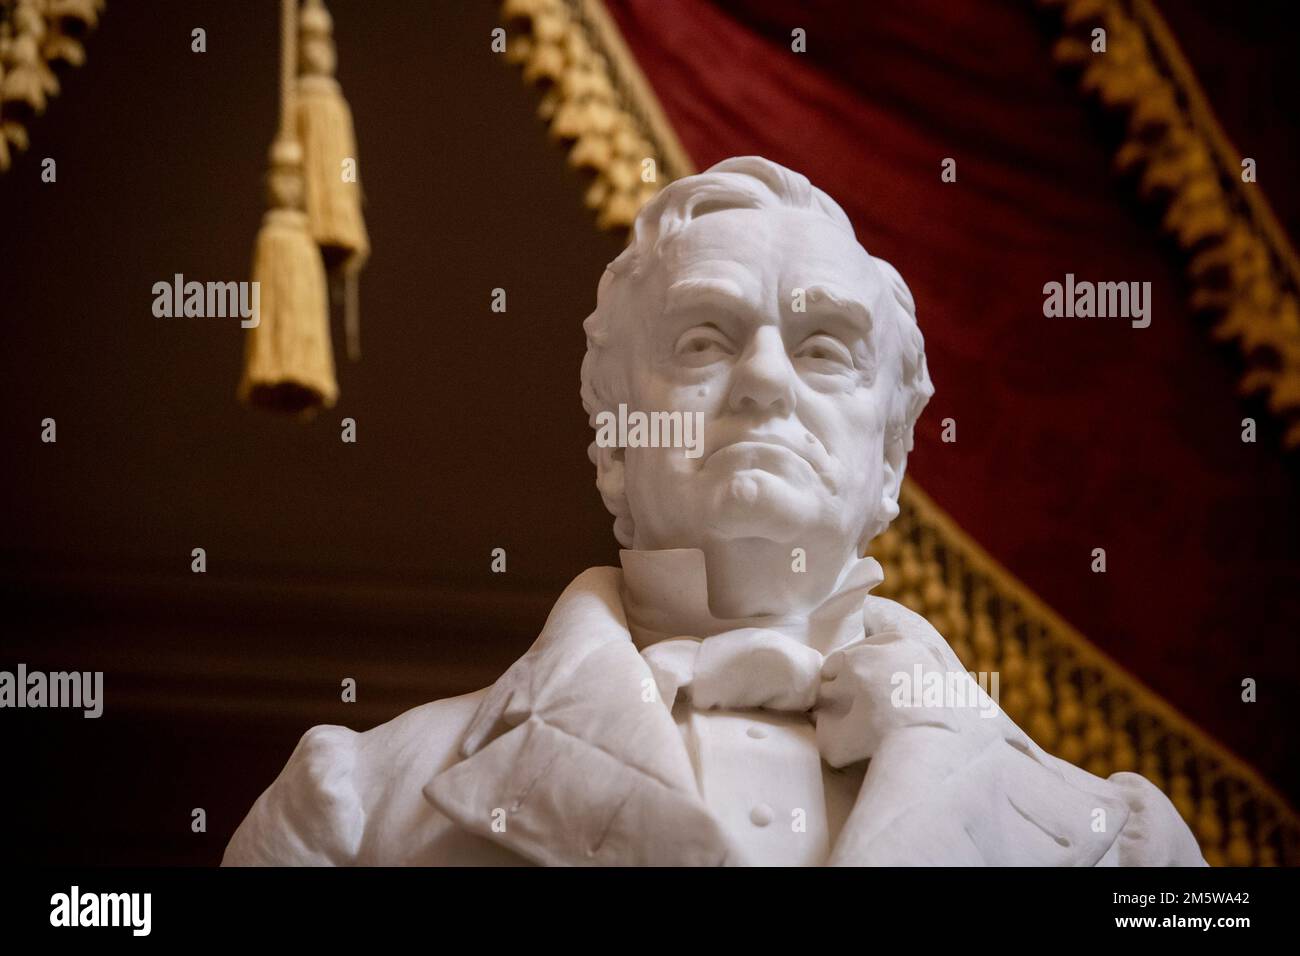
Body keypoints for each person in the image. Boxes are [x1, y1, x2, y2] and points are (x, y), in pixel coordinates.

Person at [223, 157, 1204, 866]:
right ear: (611, 439)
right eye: (704, 339)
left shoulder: (1120, 846)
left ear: (892, 455)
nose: (765, 379)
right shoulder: (353, 811)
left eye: (824, 347)